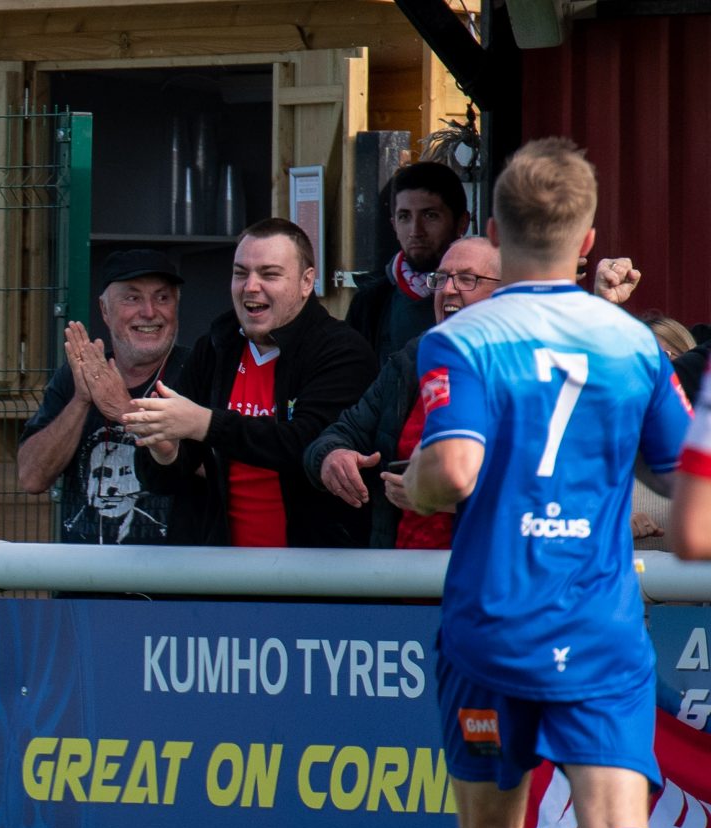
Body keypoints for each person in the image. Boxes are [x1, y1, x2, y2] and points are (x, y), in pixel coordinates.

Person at [405, 138, 682, 828]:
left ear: (494, 225)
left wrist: (414, 482)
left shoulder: (465, 338)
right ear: (587, 236)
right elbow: (672, 475)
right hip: (600, 625)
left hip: (494, 625)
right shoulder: (629, 344)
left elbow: (459, 470)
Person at [124, 219, 375, 548]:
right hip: (223, 574)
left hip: (314, 573)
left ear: (306, 282)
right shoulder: (214, 346)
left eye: (269, 274)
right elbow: (161, 480)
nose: (251, 286)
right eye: (241, 273)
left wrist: (204, 423)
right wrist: (165, 449)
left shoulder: (342, 351)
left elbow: (308, 444)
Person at [306, 236, 504, 549]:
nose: (448, 289)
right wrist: (332, 457)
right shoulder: (412, 360)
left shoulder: (532, 371)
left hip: (488, 581)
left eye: (467, 279)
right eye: (441, 278)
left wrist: (444, 495)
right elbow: (337, 435)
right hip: (401, 583)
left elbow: (552, 489)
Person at [15, 250, 214, 544]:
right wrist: (81, 401)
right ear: (105, 311)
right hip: (84, 582)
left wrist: (124, 410)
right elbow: (32, 478)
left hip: (173, 581)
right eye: (132, 298)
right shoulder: (75, 376)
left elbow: (227, 470)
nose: (149, 312)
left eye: (162, 298)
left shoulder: (200, 371)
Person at [347, 162, 468, 357]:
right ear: (393, 225)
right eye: (404, 217)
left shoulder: (482, 293)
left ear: (462, 223)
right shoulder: (369, 305)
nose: (415, 231)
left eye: (430, 215)